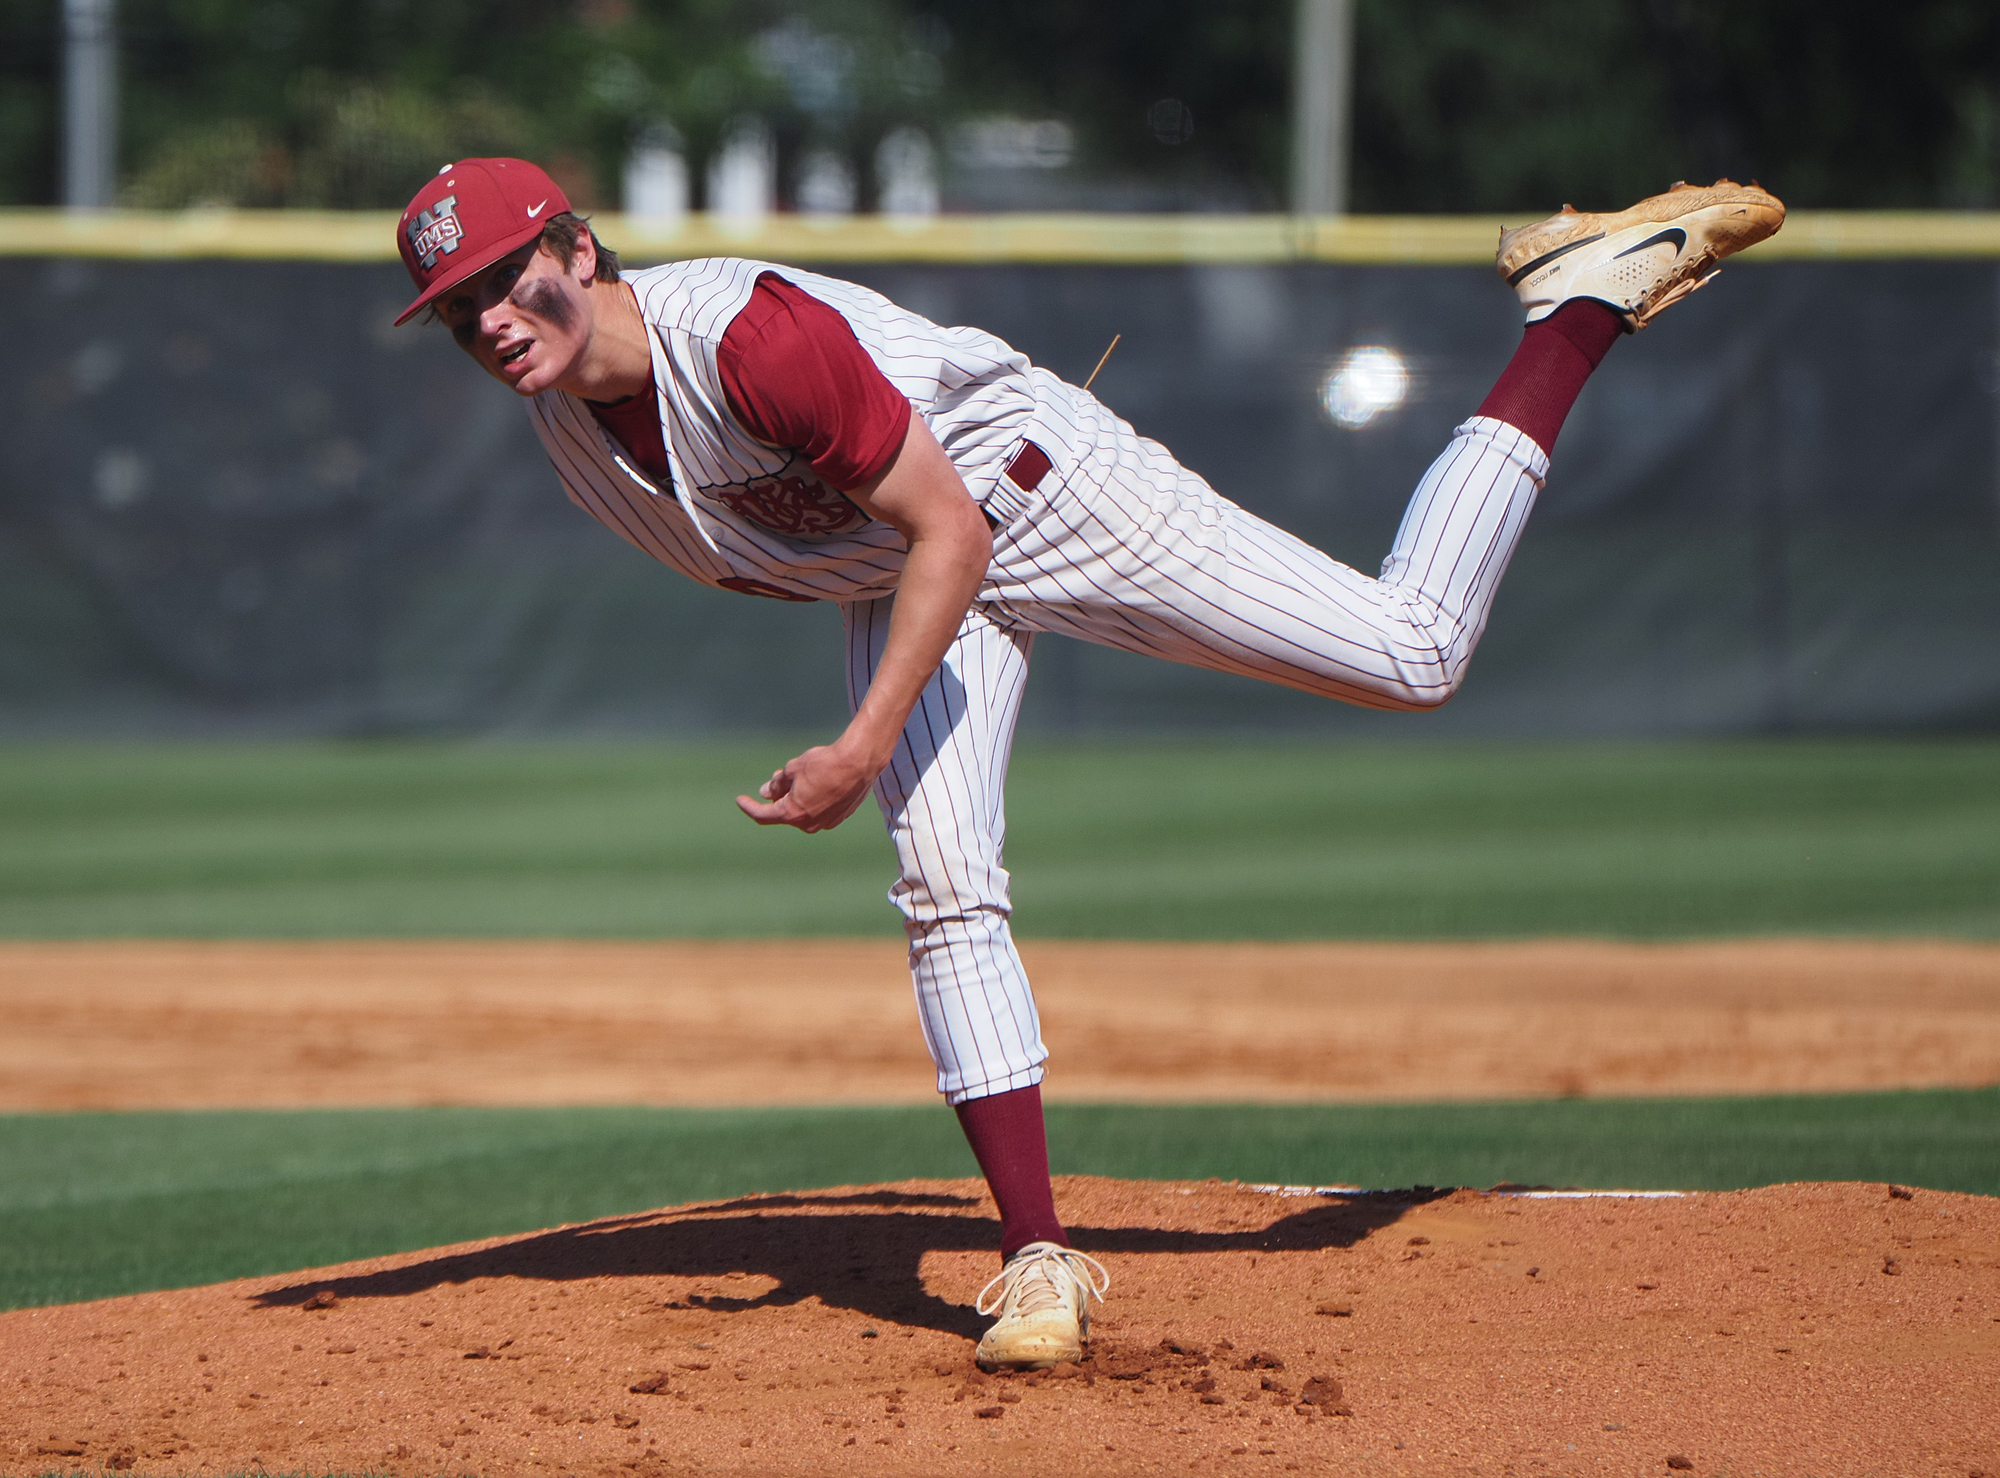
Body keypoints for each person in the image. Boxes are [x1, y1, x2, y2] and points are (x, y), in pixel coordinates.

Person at [393, 157, 1784, 1370]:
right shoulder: (569, 426)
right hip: (915, 556)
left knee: (1414, 652)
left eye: (514, 280)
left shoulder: (748, 338)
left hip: (1030, 491)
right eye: (462, 311)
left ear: (581, 249)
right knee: (940, 878)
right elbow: (799, 557)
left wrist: (865, 737)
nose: (496, 321)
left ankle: (1581, 300)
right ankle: (1039, 1258)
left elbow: (949, 528)